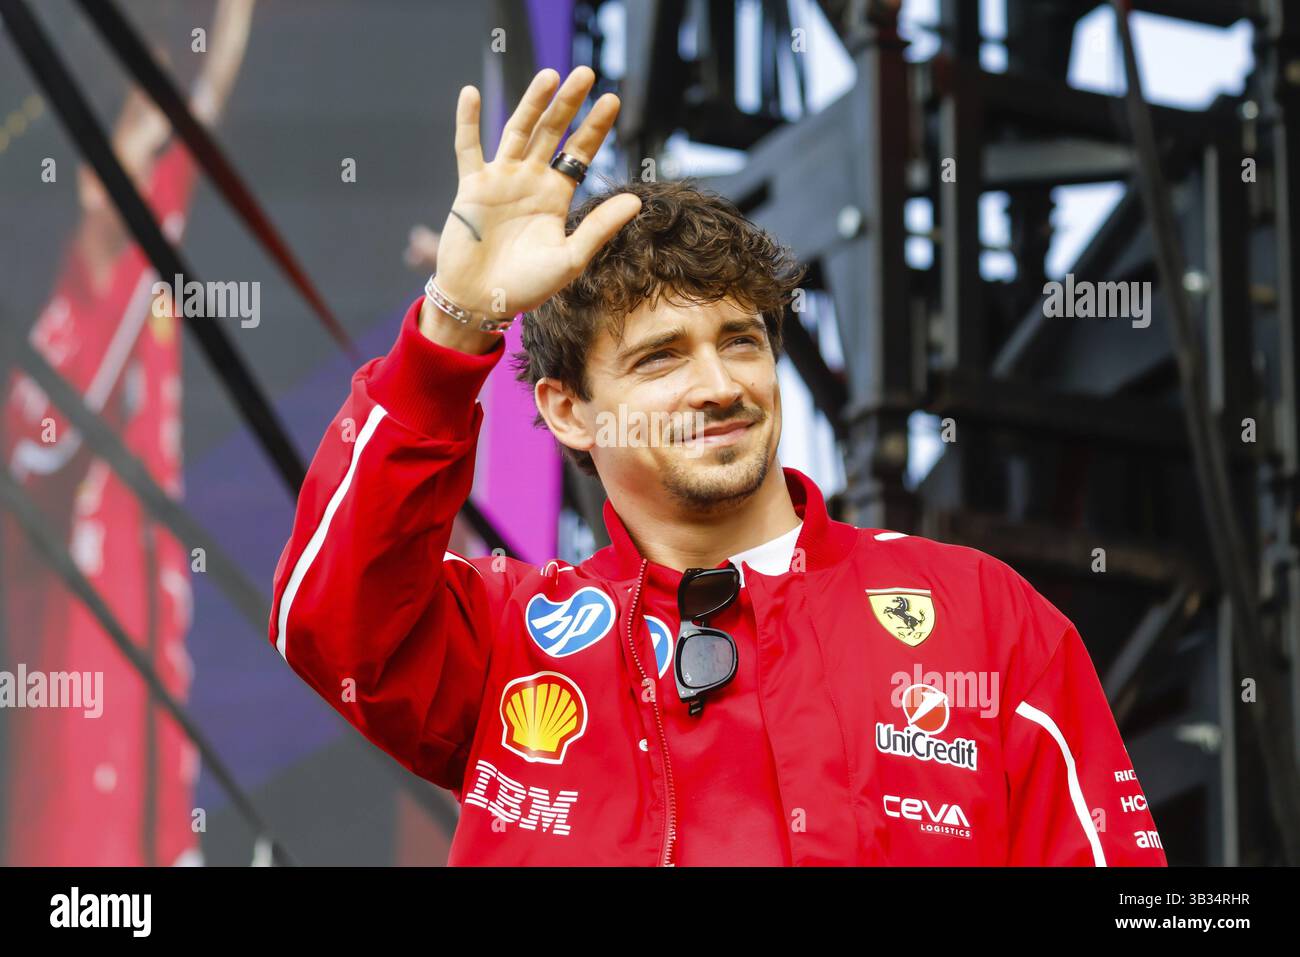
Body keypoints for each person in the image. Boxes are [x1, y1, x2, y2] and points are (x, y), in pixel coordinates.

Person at [269, 66, 1168, 866]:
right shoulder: (514, 637)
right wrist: (454, 322)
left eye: (741, 341)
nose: (720, 384)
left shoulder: (982, 616)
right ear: (567, 410)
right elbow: (330, 617)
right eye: (660, 357)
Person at [2, 0, 256, 866]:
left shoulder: (147, 244)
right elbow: (35, 459)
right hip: (79, 616)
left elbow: (204, 106)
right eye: (134, 116)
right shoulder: (61, 329)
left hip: (150, 594)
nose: (154, 136)